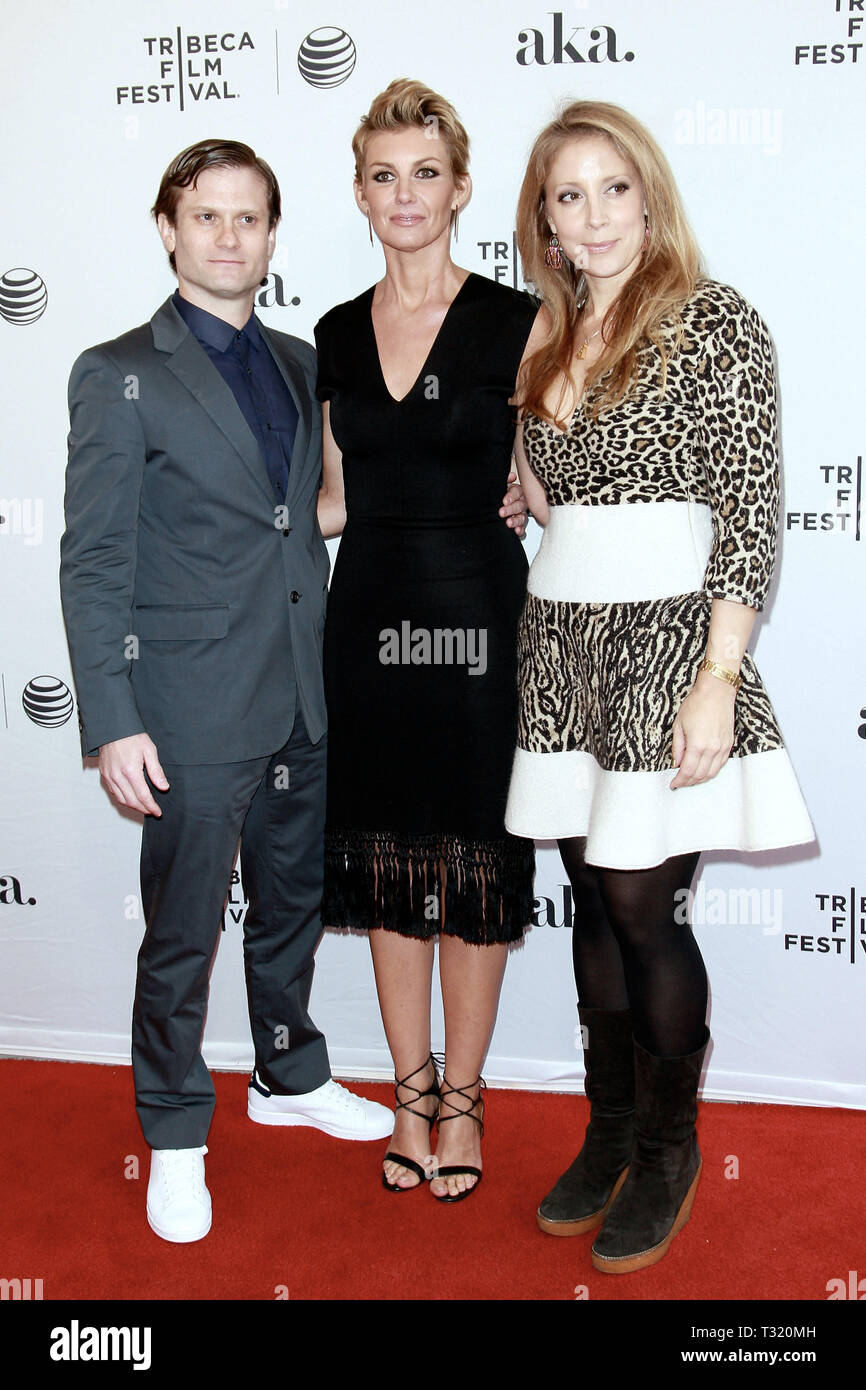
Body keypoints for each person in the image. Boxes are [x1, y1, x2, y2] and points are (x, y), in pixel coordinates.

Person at [59, 138, 394, 1245]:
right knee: (183, 931)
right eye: (206, 216)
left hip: (302, 688)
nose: (228, 235)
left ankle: (288, 1073)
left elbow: (303, 516)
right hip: (190, 705)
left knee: (290, 904)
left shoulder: (302, 363)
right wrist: (111, 718)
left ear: (269, 236)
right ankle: (172, 1129)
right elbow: (95, 558)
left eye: (248, 218)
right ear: (168, 228)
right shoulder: (118, 372)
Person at [505, 101, 814, 1271]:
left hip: (668, 644)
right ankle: (610, 1133)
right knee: (590, 895)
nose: (591, 217)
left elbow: (746, 513)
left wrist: (716, 678)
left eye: (610, 189)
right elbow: (550, 498)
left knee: (640, 900)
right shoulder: (544, 335)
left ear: (650, 194)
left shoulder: (715, 321)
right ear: (543, 215)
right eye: (565, 195)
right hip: (561, 642)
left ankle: (671, 1147)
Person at [315, 79, 543, 1202]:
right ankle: (408, 1090)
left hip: (479, 626)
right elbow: (327, 501)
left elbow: (548, 482)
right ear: (359, 192)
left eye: (425, 173)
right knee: (387, 864)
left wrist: (531, 491)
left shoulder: (516, 321)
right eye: (382, 174)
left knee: (472, 864)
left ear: (459, 188)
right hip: (367, 623)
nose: (404, 194)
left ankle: (463, 1100)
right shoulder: (331, 333)